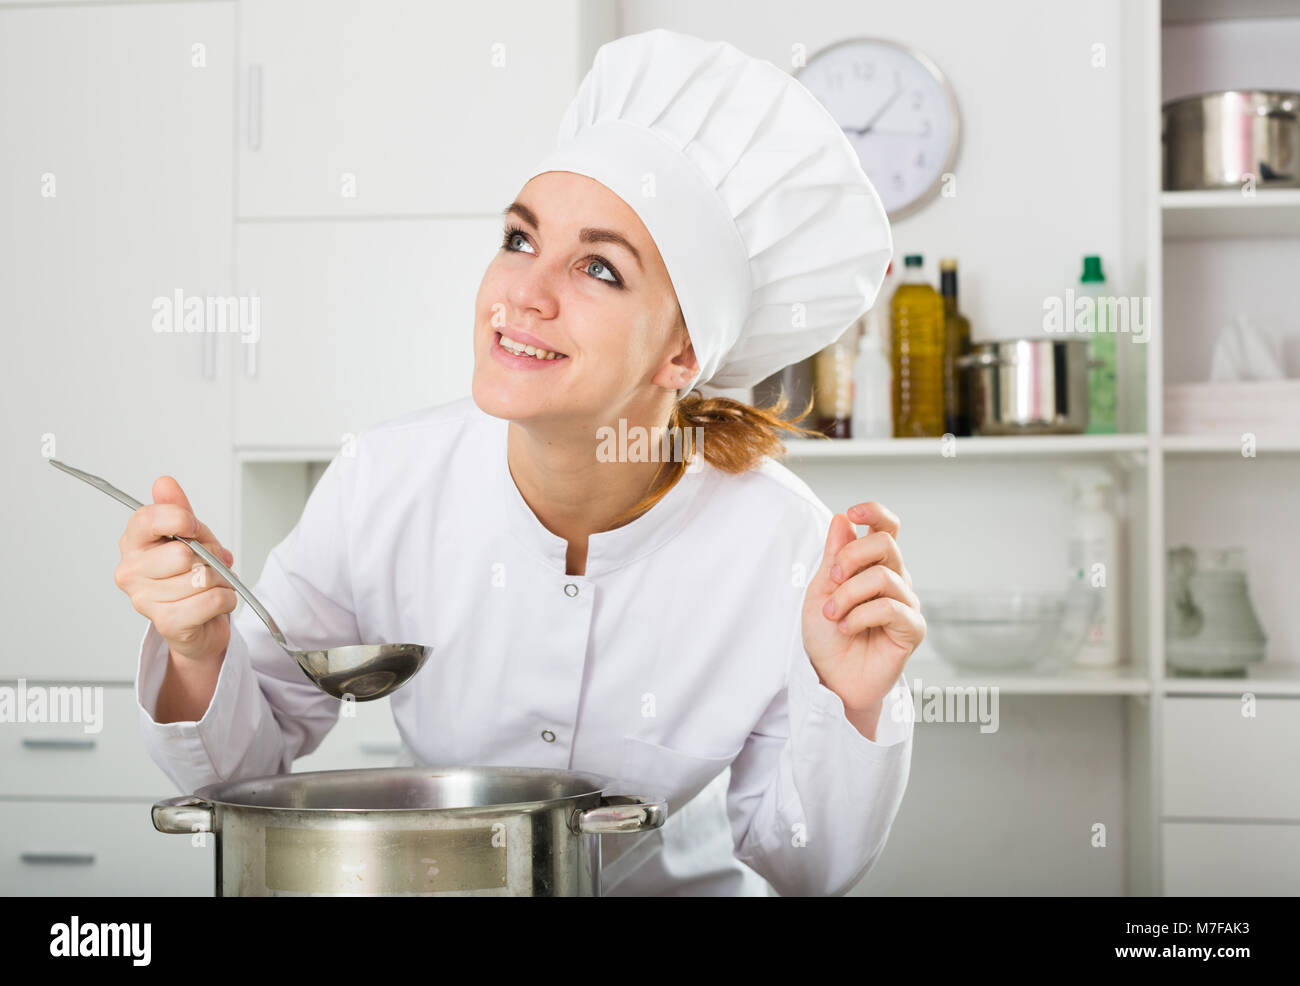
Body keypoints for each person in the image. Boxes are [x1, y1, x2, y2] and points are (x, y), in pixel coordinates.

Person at [114, 28, 923, 896]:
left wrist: (854, 703)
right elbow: (246, 758)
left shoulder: (784, 546)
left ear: (682, 354)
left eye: (600, 270)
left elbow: (803, 867)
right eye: (519, 239)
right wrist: (197, 648)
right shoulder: (383, 483)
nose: (522, 296)